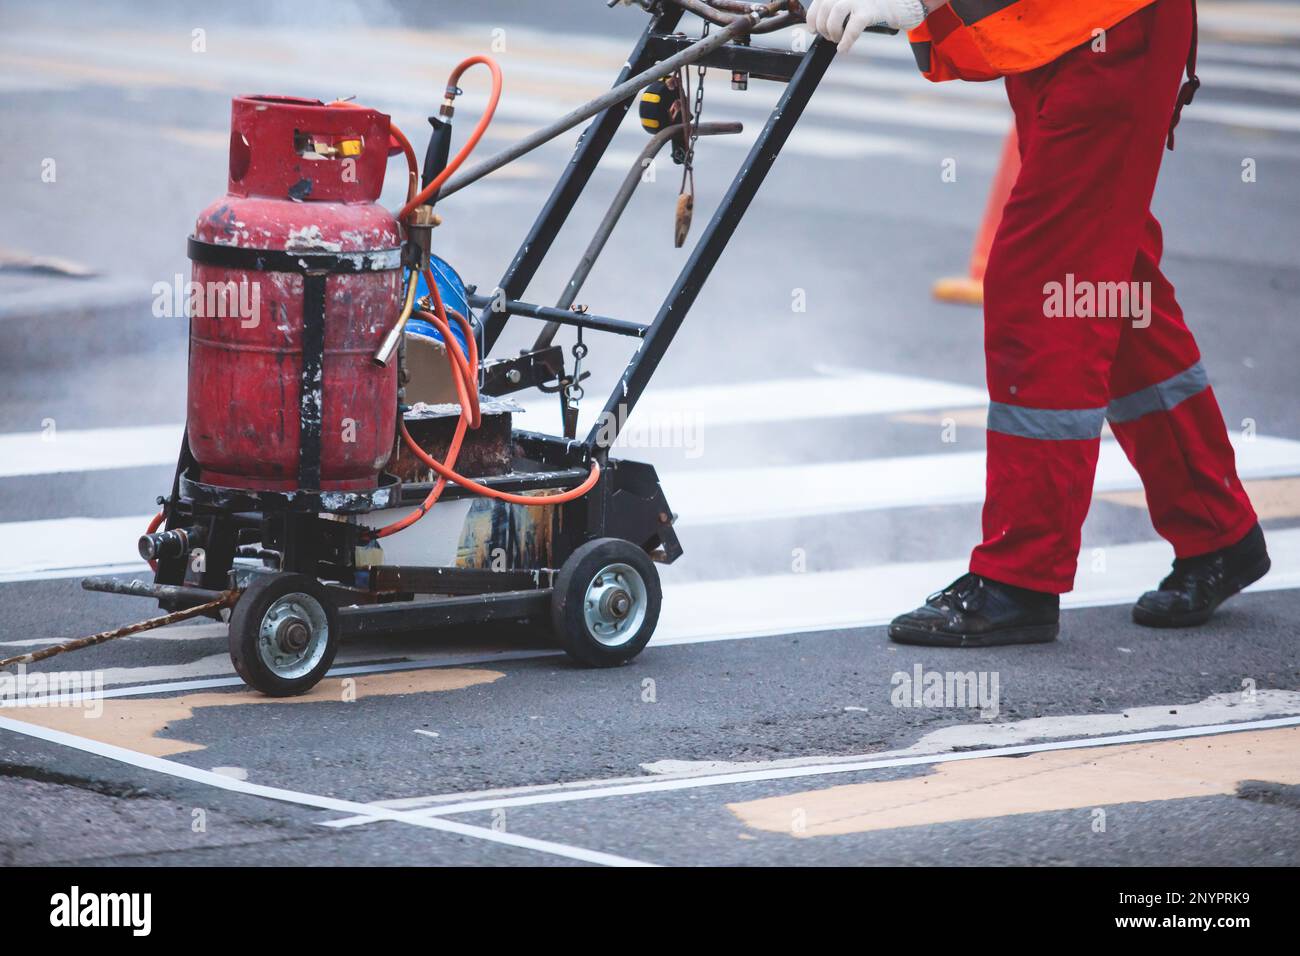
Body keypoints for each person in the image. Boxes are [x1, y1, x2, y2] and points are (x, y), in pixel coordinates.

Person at [804, 0, 1269, 647]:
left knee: (1046, 285)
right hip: (1062, 31)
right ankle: (1216, 526)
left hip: (1111, 27)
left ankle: (1021, 576)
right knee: (1109, 285)